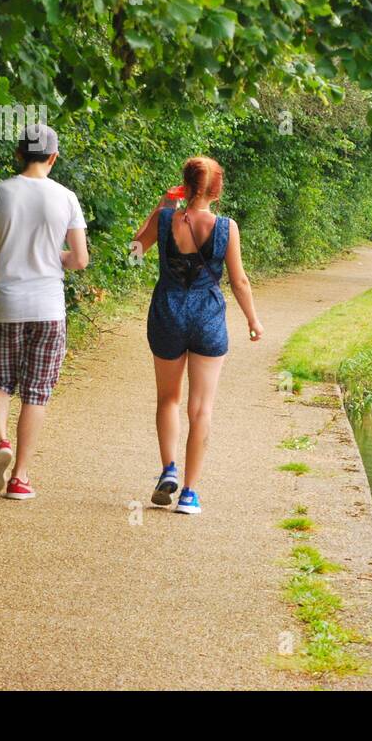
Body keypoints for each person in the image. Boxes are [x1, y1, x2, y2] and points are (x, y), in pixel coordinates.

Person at [0, 124, 89, 501]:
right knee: (37, 392)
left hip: (4, 306)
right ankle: (19, 477)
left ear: (19, 154)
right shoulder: (66, 198)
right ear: (53, 157)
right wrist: (54, 256)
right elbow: (80, 259)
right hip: (49, 309)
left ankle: (0, 439)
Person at [132, 156, 263, 515]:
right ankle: (189, 493)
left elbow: (133, 254)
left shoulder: (164, 220)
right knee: (201, 409)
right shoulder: (226, 227)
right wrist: (253, 320)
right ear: (217, 192)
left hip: (167, 313)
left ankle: (168, 470)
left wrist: (161, 207)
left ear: (185, 186)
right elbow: (239, 280)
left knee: (168, 399)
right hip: (207, 316)